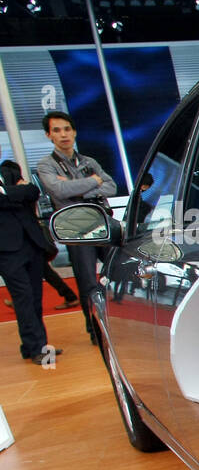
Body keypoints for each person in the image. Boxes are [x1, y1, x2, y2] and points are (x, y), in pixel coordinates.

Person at [35, 111, 117, 342]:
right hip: (76, 229)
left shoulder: (89, 161)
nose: (63, 135)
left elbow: (111, 187)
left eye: (67, 129)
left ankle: (118, 324)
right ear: (48, 135)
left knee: (117, 274)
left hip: (103, 223)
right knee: (88, 283)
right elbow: (58, 191)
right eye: (57, 130)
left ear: (74, 132)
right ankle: (95, 331)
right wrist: (93, 182)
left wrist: (75, 186)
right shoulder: (46, 165)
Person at [0, 162, 62, 363]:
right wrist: (16, 193)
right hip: (6, 250)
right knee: (23, 297)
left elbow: (33, 191)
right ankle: (37, 348)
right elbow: (22, 194)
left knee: (35, 297)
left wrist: (6, 194)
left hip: (32, 243)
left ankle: (32, 345)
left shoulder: (9, 170)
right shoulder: (12, 180)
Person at [1, 160, 77, 312]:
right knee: (42, 272)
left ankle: (69, 296)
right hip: (30, 240)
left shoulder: (24, 190)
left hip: (30, 241)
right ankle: (67, 295)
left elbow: (29, 196)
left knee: (43, 272)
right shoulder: (22, 190)